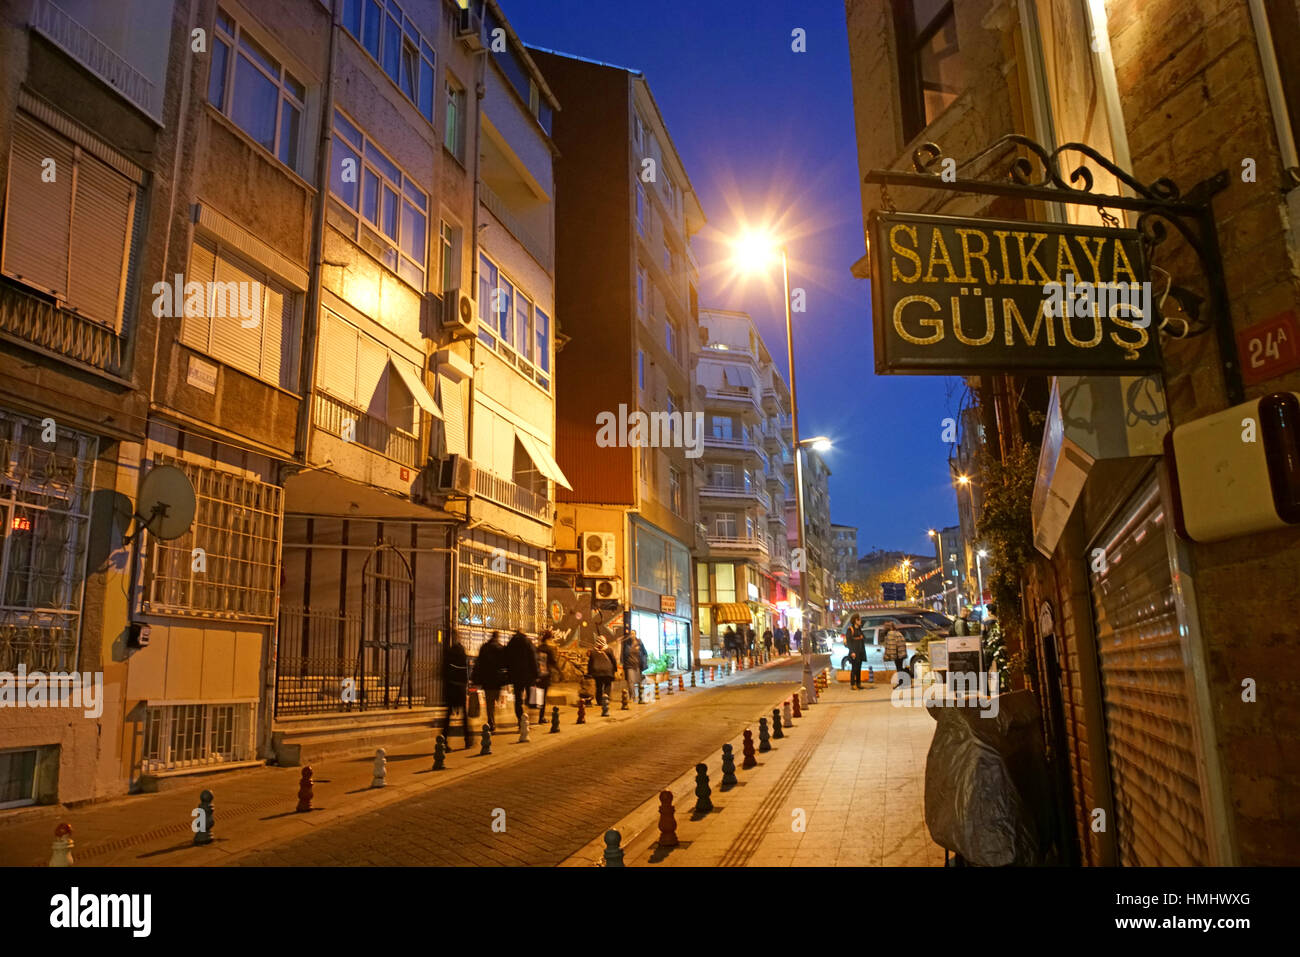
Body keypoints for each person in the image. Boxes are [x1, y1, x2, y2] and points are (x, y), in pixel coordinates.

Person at [470, 631, 509, 732]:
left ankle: (491, 721)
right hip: (497, 679)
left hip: (487, 679)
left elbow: (479, 663)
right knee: (496, 698)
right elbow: (505, 663)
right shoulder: (500, 648)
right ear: (498, 637)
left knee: (489, 702)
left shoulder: (485, 647)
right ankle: (495, 719)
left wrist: (476, 677)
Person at [504, 629, 539, 727]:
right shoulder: (528, 642)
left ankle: (520, 718)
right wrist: (536, 673)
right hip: (528, 675)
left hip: (516, 676)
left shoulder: (511, 643)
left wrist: (509, 673)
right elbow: (533, 658)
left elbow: (506, 659)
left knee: (518, 699)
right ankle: (529, 718)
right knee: (531, 696)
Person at [444, 633, 470, 749]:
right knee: (464, 716)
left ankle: (444, 740)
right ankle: (467, 739)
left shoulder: (448, 653)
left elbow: (444, 672)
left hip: (450, 688)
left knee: (448, 716)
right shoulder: (461, 652)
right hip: (460, 688)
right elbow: (465, 672)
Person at [534, 630, 560, 724]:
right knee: (543, 696)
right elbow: (553, 661)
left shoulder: (538, 648)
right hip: (545, 675)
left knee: (539, 695)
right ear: (549, 638)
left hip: (538, 674)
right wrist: (559, 671)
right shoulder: (549, 649)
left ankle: (536, 715)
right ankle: (541, 717)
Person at [586, 635, 618, 707]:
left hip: (597, 672)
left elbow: (590, 663)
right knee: (608, 684)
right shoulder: (609, 649)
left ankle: (599, 701)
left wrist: (589, 672)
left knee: (599, 686)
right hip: (608, 671)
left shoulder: (593, 651)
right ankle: (606, 697)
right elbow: (613, 660)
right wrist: (615, 669)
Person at [621, 629, 648, 700]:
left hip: (638, 665)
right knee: (630, 681)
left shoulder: (639, 643)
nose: (632, 635)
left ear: (636, 634)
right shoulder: (626, 643)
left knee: (639, 681)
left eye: (633, 633)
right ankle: (632, 696)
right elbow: (623, 654)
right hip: (629, 665)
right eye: (631, 634)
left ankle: (640, 695)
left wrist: (644, 662)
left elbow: (645, 653)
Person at [844, 614, 867, 689]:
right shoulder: (850, 629)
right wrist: (852, 652)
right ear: (855, 620)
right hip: (854, 651)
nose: (861, 621)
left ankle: (858, 683)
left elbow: (863, 638)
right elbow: (849, 642)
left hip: (860, 651)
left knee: (859, 668)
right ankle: (853, 684)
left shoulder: (859, 629)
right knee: (854, 668)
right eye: (859, 620)